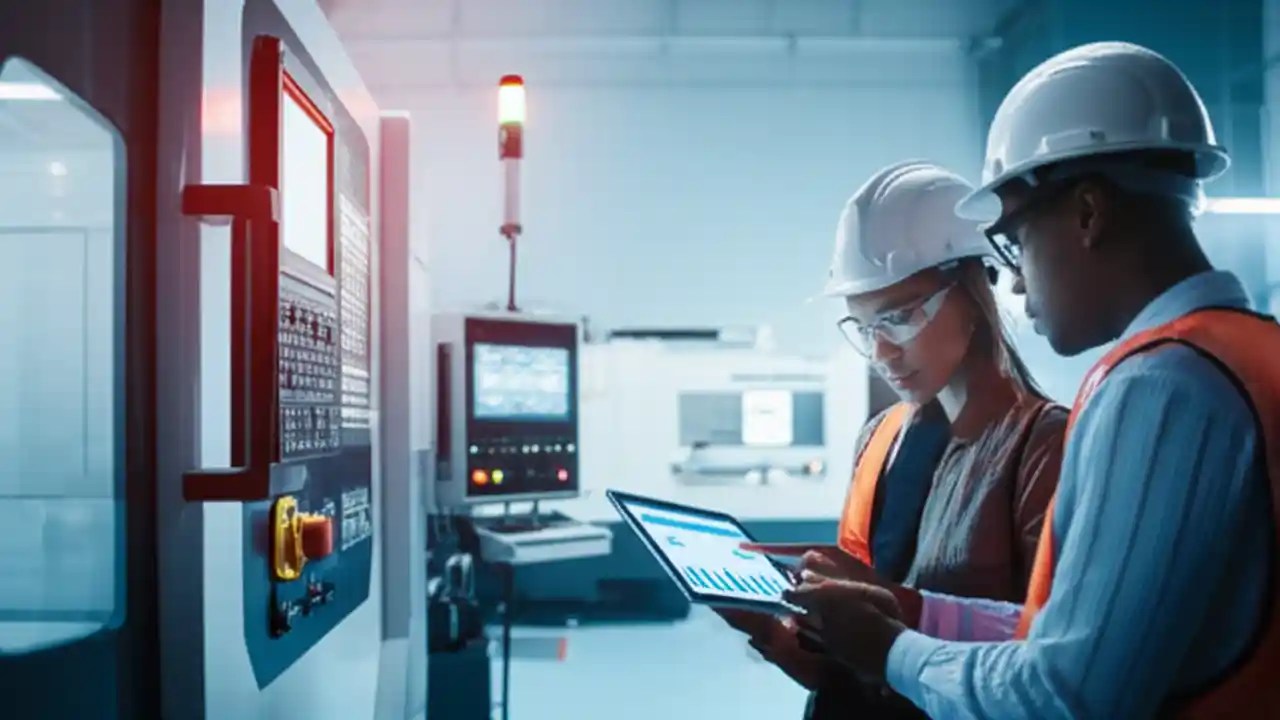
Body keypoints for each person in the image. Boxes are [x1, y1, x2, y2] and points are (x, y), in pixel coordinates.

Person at [784, 41, 1280, 719]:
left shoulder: (1159, 387)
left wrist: (890, 651)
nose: (1015, 279)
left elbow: (1067, 695)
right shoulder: (1250, 353)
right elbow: (1078, 638)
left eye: (1015, 241)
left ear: (1087, 213)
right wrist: (904, 609)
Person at [722, 160, 1067, 717]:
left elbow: (1053, 669)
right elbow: (853, 669)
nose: (882, 353)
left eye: (900, 318)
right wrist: (776, 634)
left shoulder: (1046, 447)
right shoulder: (880, 440)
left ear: (973, 291)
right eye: (865, 328)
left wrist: (900, 617)